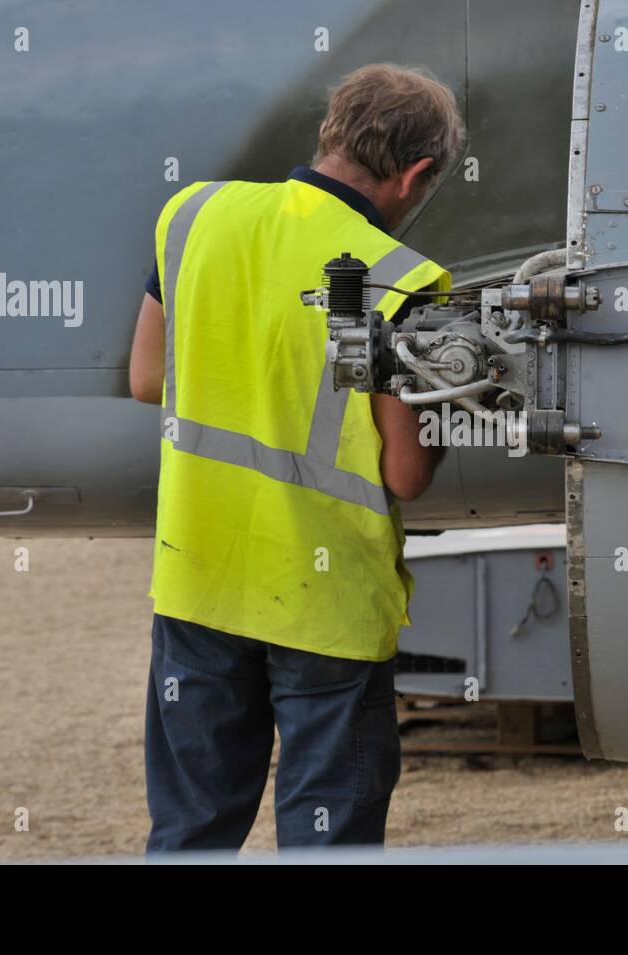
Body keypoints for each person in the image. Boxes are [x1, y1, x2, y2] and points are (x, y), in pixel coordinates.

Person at [128, 63, 465, 851]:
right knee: (327, 841)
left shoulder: (194, 214)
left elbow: (148, 377)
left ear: (329, 133)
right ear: (416, 174)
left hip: (198, 580)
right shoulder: (402, 281)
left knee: (191, 831)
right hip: (328, 605)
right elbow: (405, 474)